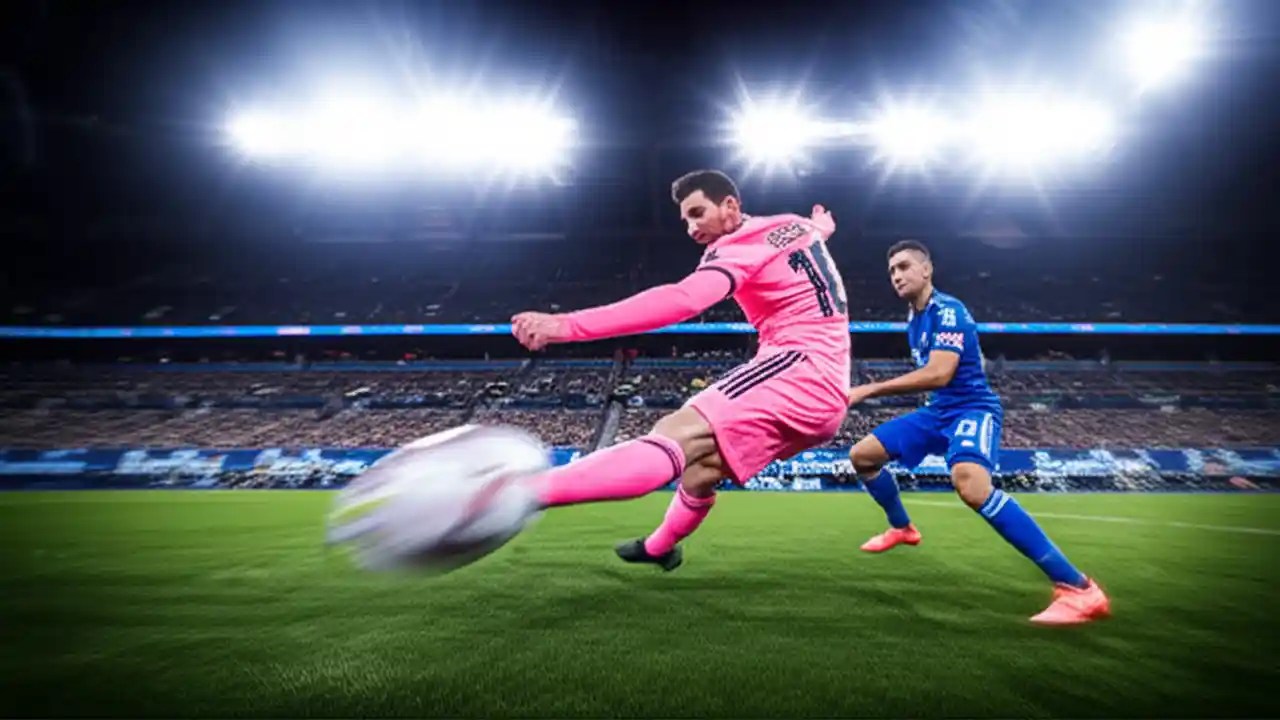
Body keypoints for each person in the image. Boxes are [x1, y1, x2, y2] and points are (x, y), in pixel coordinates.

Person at [511, 169, 849, 570]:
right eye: (685, 219)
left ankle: (524, 492)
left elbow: (685, 299)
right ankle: (660, 549)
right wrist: (822, 227)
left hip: (798, 367)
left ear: (730, 206)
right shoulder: (794, 225)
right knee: (700, 469)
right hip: (828, 386)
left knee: (675, 433)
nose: (691, 228)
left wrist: (564, 325)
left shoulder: (736, 246)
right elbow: (812, 235)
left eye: (697, 212)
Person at [844, 239, 1110, 625]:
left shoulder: (949, 310)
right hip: (938, 411)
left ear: (926, 270)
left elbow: (939, 373)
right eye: (891, 271)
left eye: (903, 267)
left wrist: (869, 389)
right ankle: (902, 528)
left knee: (970, 485)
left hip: (973, 408)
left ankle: (1079, 589)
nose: (897, 276)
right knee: (862, 456)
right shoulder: (913, 318)